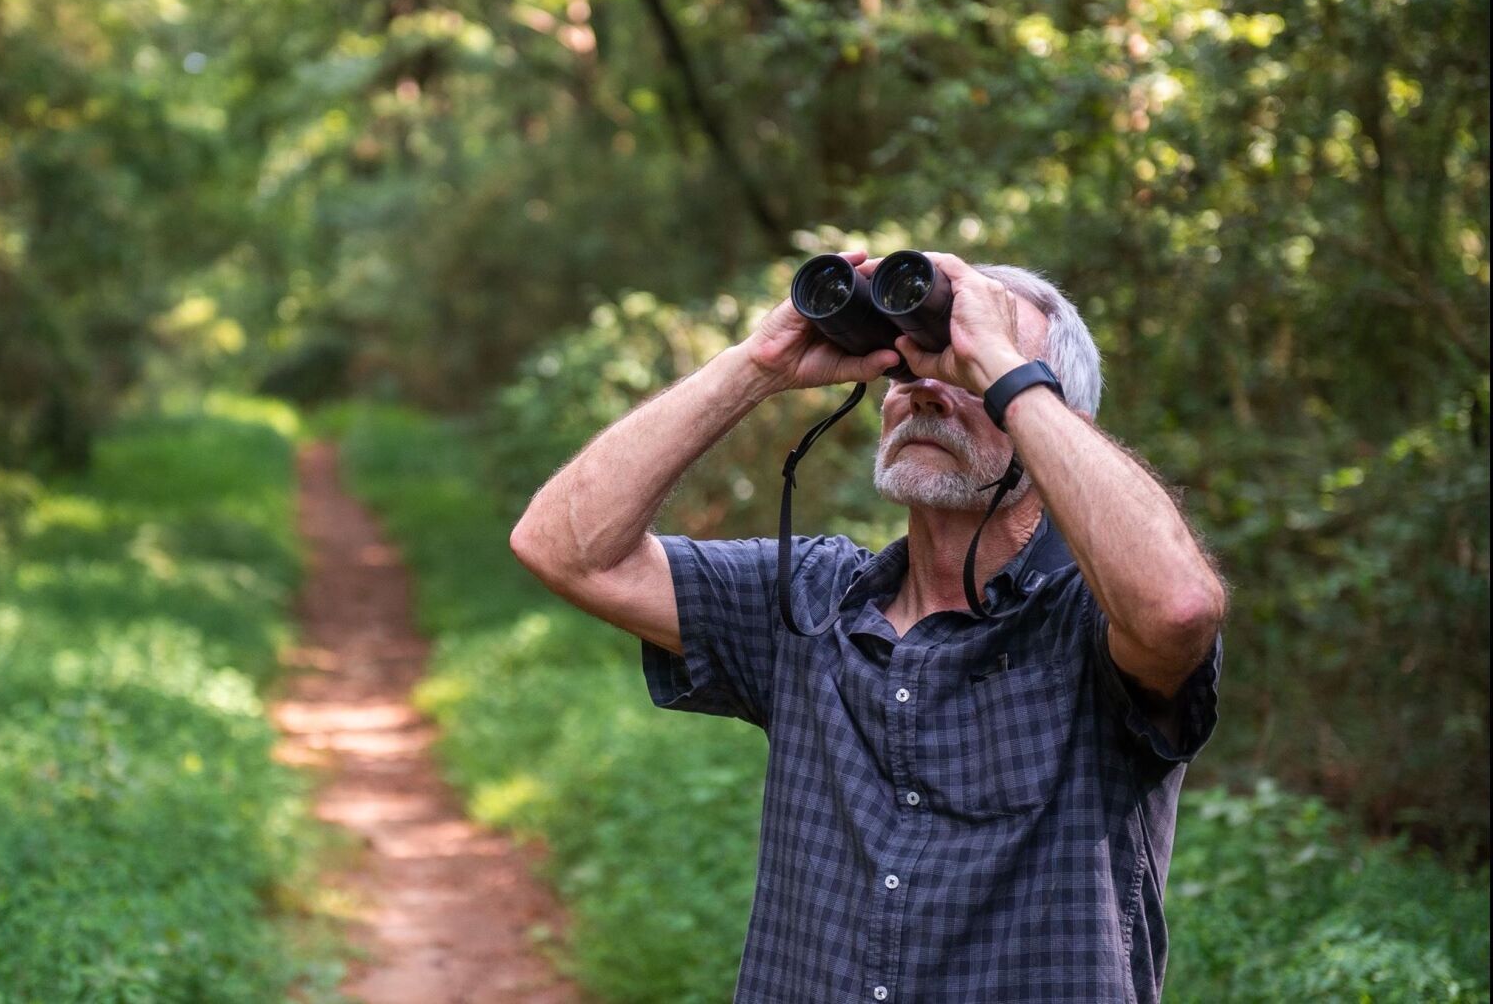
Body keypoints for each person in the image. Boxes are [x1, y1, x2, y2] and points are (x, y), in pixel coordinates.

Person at [508, 249, 1226, 1003]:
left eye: (971, 376)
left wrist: (1005, 370)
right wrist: (755, 366)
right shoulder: (807, 600)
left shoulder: (1091, 622)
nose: (929, 393)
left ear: (1054, 420)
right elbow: (563, 548)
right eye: (912, 369)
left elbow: (1180, 608)